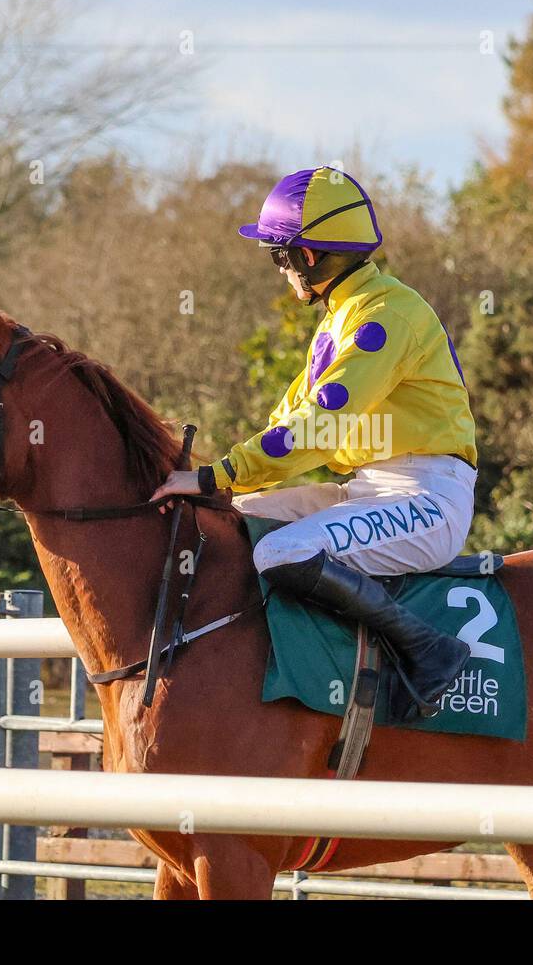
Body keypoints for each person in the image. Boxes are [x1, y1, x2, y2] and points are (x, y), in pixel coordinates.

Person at [151, 167, 478, 720]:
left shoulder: (384, 316)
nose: (279, 271)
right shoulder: (344, 318)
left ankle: (429, 648)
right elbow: (290, 422)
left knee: (281, 549)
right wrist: (219, 484)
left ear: (306, 258)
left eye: (279, 257)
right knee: (229, 521)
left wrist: (214, 476)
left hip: (427, 502)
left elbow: (319, 429)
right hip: (367, 492)